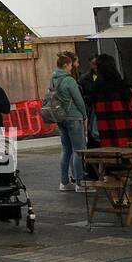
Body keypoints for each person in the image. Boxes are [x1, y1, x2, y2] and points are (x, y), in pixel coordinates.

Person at [47, 51, 88, 192]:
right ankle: (80, 183)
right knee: (79, 150)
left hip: (60, 117)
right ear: (66, 65)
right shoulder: (69, 80)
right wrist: (84, 115)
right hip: (73, 116)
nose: (72, 67)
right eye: (71, 65)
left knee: (65, 149)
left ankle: (64, 182)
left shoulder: (53, 79)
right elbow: (79, 100)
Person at [91, 53, 132, 147]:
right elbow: (131, 103)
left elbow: (94, 108)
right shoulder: (120, 84)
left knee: (112, 159)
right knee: (131, 159)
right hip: (127, 129)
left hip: (106, 132)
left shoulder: (96, 87)